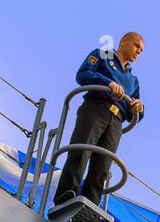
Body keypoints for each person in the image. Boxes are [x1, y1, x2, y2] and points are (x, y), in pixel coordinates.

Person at [52, 32, 145, 207]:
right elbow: (83, 74)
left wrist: (137, 108)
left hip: (116, 121)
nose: (138, 52)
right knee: (81, 152)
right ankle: (66, 195)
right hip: (96, 108)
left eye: (141, 50)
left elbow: (137, 112)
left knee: (102, 166)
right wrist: (107, 83)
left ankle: (88, 206)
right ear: (124, 42)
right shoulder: (103, 55)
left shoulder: (133, 80)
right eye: (136, 46)